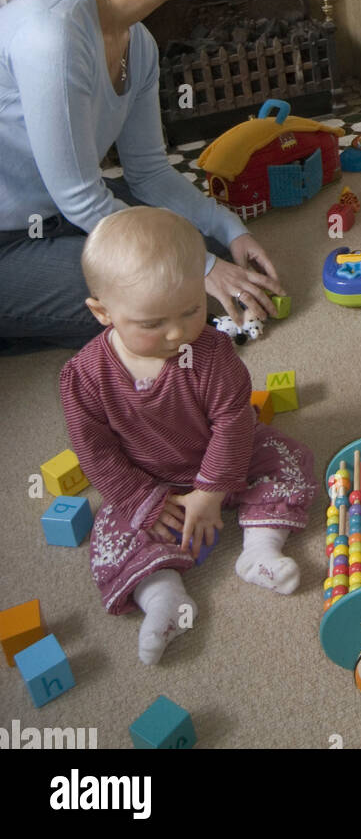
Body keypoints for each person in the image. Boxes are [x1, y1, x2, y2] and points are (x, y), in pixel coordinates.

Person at [0, 0, 282, 352]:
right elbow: (82, 197)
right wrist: (204, 272)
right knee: (170, 298)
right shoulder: (55, 37)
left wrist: (229, 232)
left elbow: (148, 172)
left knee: (208, 253)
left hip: (58, 216)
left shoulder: (140, 42)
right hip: (9, 238)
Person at [59, 208, 316, 664]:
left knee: (286, 456)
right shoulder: (84, 376)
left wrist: (211, 489)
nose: (177, 333)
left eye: (192, 309)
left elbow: (234, 422)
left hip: (227, 458)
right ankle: (162, 596)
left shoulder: (213, 352)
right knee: (113, 533)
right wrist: (144, 499)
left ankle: (259, 549)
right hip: (148, 479)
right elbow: (95, 451)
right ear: (103, 313)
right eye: (153, 323)